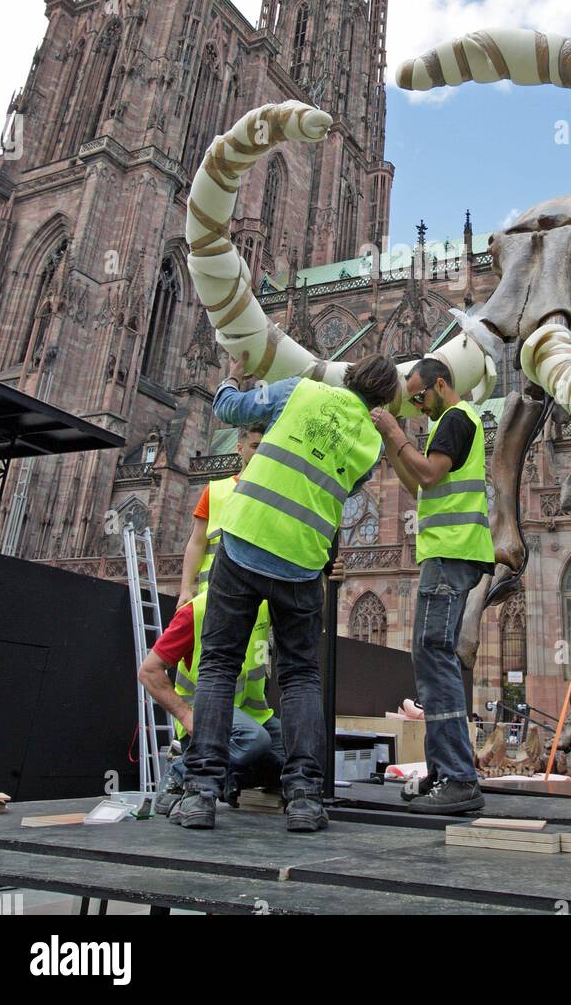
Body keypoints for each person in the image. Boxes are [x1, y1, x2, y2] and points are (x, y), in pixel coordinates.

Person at [174, 351, 399, 833]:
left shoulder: (301, 389)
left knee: (217, 665)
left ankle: (200, 794)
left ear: (350, 375)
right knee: (299, 677)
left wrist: (232, 375)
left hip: (246, 540)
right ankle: (303, 798)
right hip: (302, 562)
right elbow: (345, 488)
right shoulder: (371, 443)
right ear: (383, 399)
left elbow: (231, 411)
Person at [371, 356, 494, 814]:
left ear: (441, 385)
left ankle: (460, 778)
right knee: (429, 654)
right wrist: (392, 444)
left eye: (420, 396)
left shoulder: (455, 419)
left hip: (453, 552)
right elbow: (416, 482)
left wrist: (394, 430)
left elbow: (427, 473)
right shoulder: (449, 421)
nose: (418, 406)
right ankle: (445, 772)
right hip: (447, 553)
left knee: (435, 655)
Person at [138, 593, 283, 815]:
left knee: (298, 757)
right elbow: (149, 671)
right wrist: (186, 715)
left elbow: (305, 610)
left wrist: (327, 578)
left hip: (251, 716)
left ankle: (228, 781)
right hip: (206, 718)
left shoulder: (263, 605)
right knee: (253, 740)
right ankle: (178, 775)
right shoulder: (195, 612)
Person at [177, 422, 267, 607]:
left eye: (265, 448)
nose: (260, 453)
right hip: (213, 594)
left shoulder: (276, 492)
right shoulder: (216, 489)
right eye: (255, 446)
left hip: (260, 597)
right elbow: (197, 541)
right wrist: (185, 588)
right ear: (240, 449)